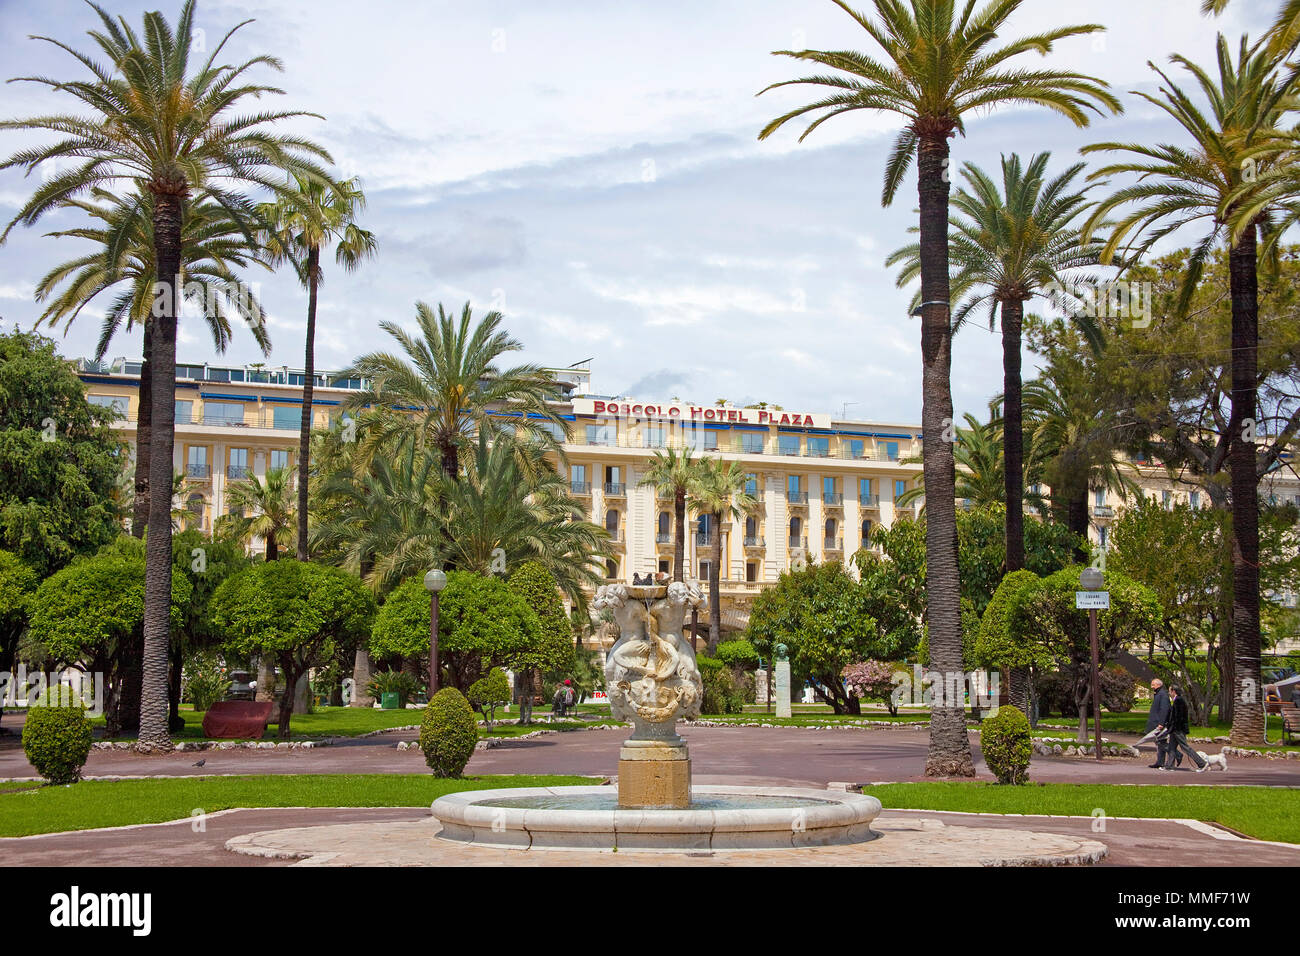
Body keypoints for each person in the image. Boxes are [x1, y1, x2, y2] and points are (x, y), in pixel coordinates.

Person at [1160, 685, 1208, 772]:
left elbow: (1178, 717)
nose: (1169, 693)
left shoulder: (1179, 700)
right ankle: (1169, 766)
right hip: (1174, 729)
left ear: (1173, 691)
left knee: (1185, 747)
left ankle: (1202, 763)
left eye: (1169, 691)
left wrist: (1172, 727)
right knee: (1171, 747)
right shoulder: (1177, 700)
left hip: (1178, 729)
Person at [1145, 679, 1170, 770]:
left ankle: (1176, 754)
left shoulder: (1162, 695)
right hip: (1157, 722)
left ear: (1158, 685)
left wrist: (1161, 723)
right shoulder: (1159, 694)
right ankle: (1160, 762)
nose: (1152, 687)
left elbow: (1164, 709)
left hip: (1159, 723)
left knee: (1161, 742)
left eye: (1153, 685)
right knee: (1159, 742)